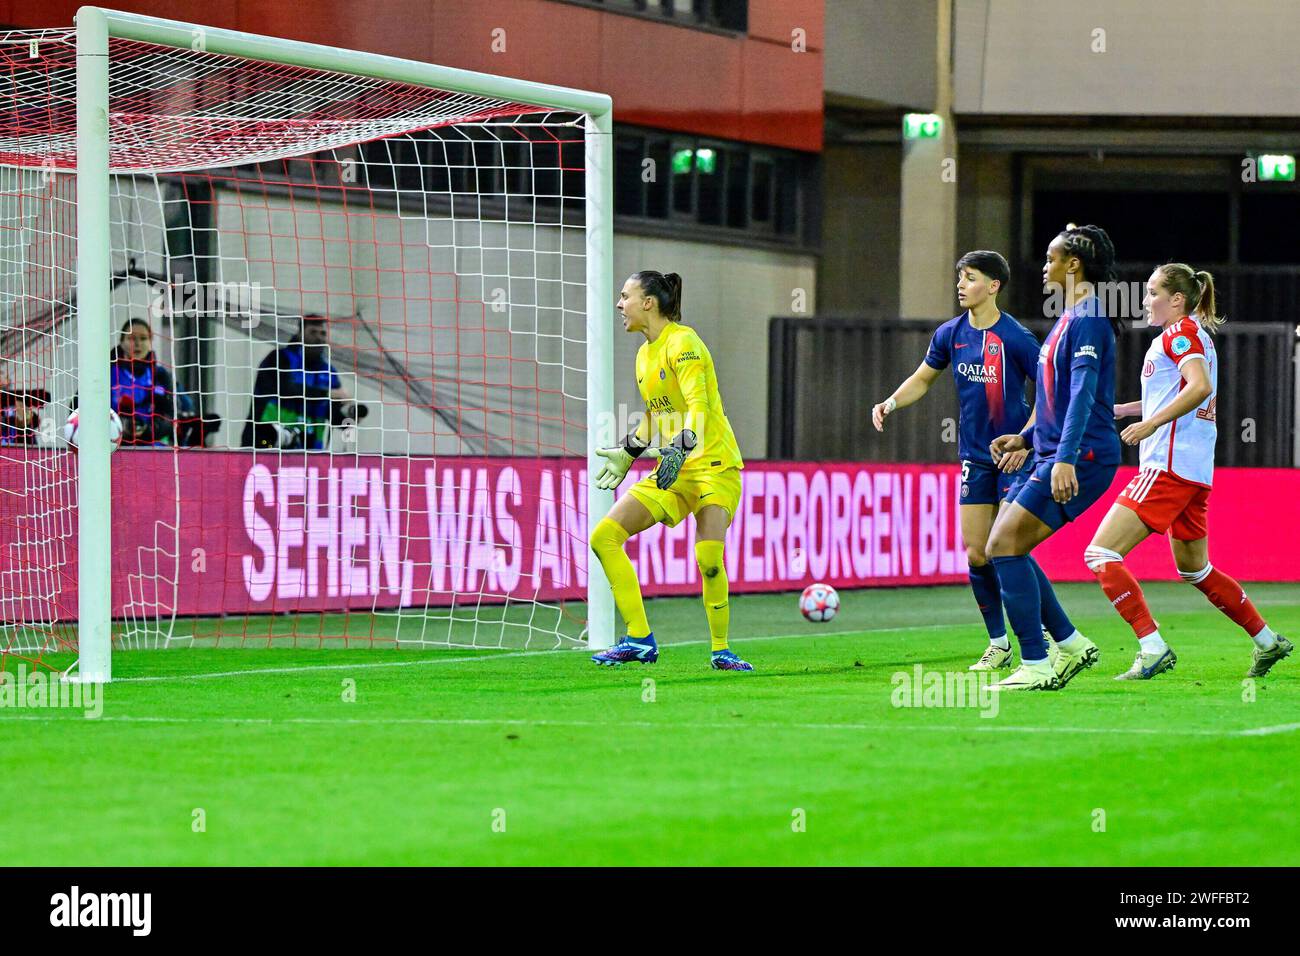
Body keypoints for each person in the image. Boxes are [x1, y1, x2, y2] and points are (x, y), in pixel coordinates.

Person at [873, 251, 1079, 672]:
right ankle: (999, 643)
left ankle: (1047, 635)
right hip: (974, 457)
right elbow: (924, 378)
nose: (961, 285)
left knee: (1006, 545)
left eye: (970, 278)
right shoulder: (951, 334)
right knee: (976, 553)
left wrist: (1025, 441)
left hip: (1013, 457)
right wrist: (891, 402)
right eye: (960, 278)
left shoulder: (1017, 338)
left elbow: (1049, 393)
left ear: (993, 286)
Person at [1085, 263, 1292, 679]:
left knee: (1101, 553)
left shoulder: (1179, 334)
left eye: (1152, 293)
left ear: (1176, 300)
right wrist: (1127, 410)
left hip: (1168, 466)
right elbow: (1178, 393)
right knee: (1195, 569)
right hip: (1194, 470)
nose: (1145, 302)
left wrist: (1151, 424)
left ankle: (1152, 646)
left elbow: (1198, 387)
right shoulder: (1194, 336)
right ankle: (1268, 641)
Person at [588, 270, 751, 671]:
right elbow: (653, 415)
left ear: (648, 303)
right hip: (674, 468)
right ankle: (640, 638)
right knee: (605, 536)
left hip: (714, 466)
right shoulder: (644, 354)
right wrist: (628, 451)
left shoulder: (685, 343)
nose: (618, 304)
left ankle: (721, 649)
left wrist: (683, 444)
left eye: (624, 296)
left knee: (709, 558)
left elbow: (699, 408)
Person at [985, 224, 1123, 691]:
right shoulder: (1069, 318)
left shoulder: (1089, 318)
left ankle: (1037, 663)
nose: (1044, 266)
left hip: (1081, 455)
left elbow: (1083, 394)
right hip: (1050, 452)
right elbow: (1054, 400)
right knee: (1006, 542)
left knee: (1002, 545)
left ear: (1074, 265)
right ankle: (1069, 643)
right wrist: (1023, 438)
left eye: (1051, 258)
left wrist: (1064, 459)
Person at [241, 314, 366, 450]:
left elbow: (331, 413)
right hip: (268, 443)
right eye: (313, 332)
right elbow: (285, 389)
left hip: (309, 451)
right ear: (300, 334)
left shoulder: (329, 372)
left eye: (323, 333)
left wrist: (349, 419)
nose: (318, 337)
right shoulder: (279, 358)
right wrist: (327, 393)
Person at [110, 318, 176, 446]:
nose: (138, 343)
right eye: (131, 338)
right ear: (122, 342)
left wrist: (148, 430)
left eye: (143, 338)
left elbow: (170, 416)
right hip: (111, 446)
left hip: (152, 447)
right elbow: (78, 408)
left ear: (150, 341)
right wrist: (121, 426)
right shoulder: (105, 373)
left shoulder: (160, 375)